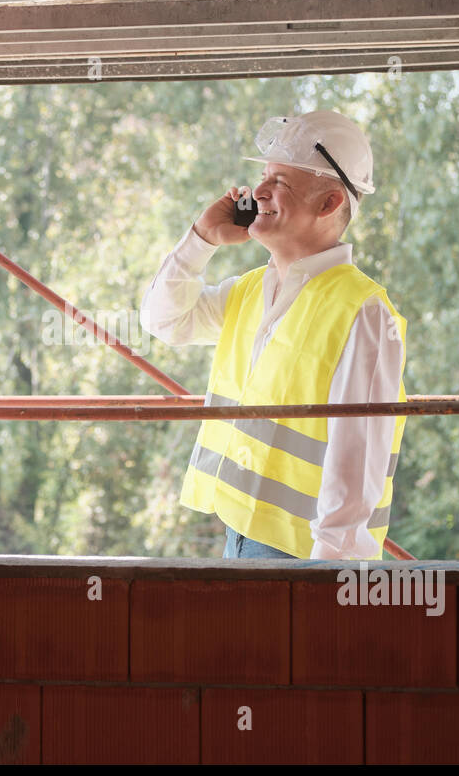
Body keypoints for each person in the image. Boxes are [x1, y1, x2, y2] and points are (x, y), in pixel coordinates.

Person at [140, 110, 407, 561]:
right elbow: (163, 320)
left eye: (280, 182)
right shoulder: (250, 291)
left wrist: (326, 584)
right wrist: (202, 238)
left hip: (304, 557)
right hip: (237, 536)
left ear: (328, 203)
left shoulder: (363, 312)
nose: (256, 192)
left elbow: (356, 466)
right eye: (262, 177)